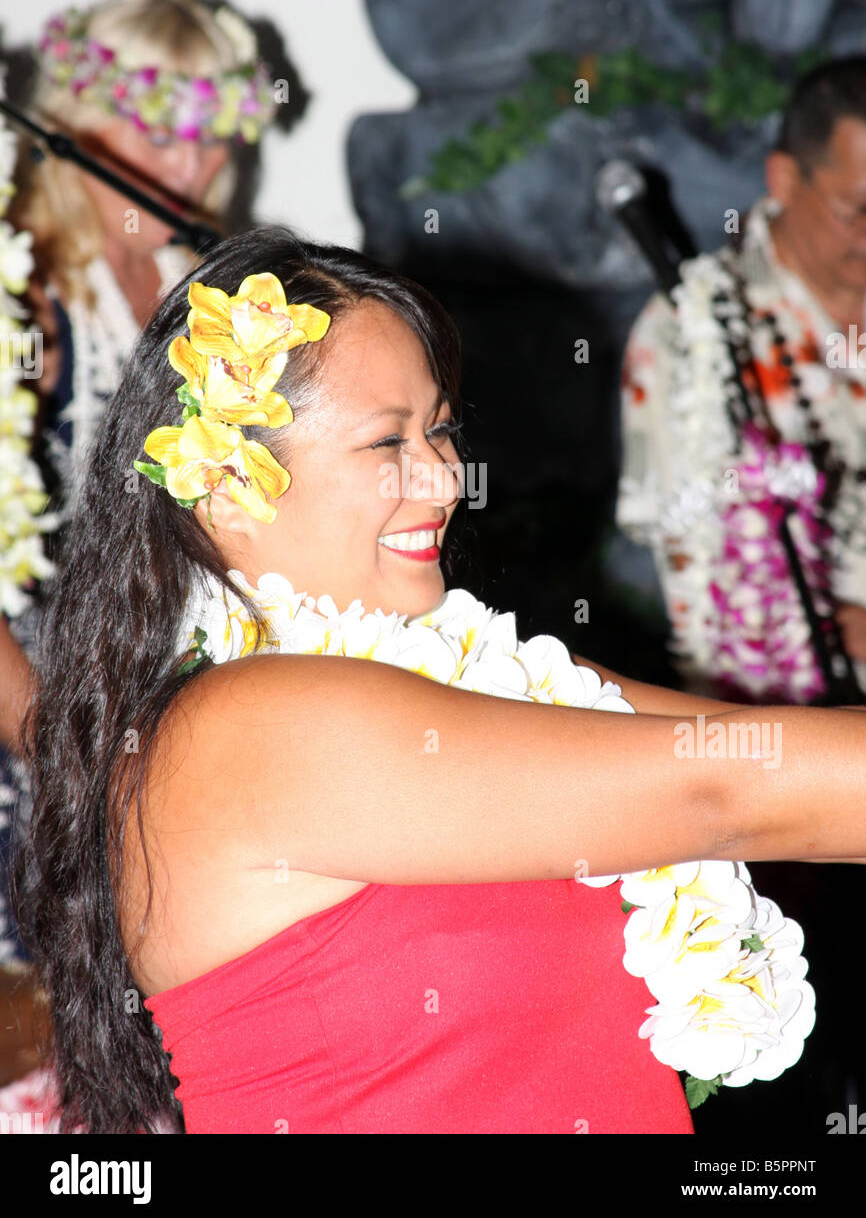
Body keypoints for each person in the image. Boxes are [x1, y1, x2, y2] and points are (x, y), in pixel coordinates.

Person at [13, 225, 866, 1136]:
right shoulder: (242, 726)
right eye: (389, 443)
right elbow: (726, 789)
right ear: (227, 485)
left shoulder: (476, 679)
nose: (446, 477)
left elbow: (755, 751)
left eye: (441, 430)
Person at [0, 0, 277, 1074]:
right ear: (72, 132)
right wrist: (70, 764)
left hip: (159, 693)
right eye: (151, 129)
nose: (186, 163)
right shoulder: (26, 303)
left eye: (208, 135)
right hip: (36, 721)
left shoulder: (191, 290)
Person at [617, 57, 866, 704]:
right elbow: (714, 598)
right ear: (784, 178)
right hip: (802, 734)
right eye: (856, 208)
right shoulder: (692, 332)